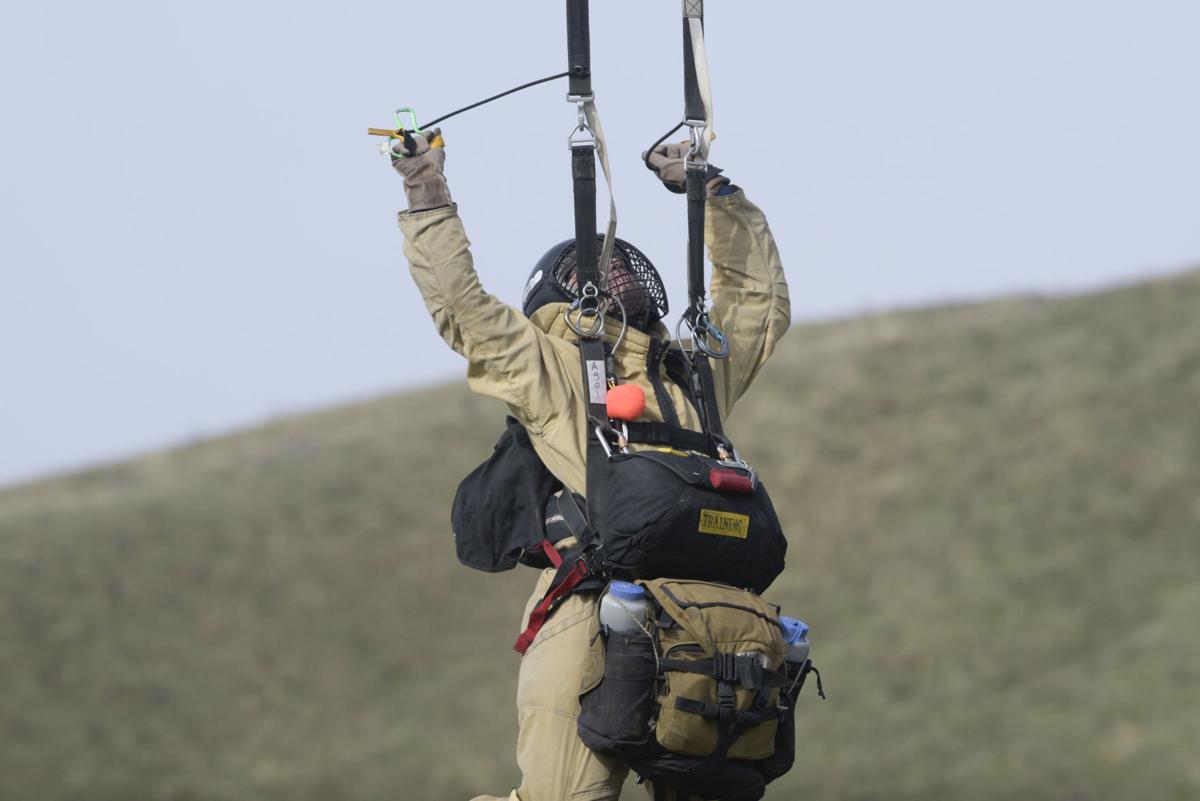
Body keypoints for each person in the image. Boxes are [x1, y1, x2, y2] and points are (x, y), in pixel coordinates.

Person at [390, 128, 791, 801]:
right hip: (591, 610)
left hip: (701, 623)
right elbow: (465, 310)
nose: (616, 275)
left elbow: (757, 307)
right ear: (556, 303)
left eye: (621, 265)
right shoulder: (553, 373)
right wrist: (425, 190)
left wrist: (713, 195)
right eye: (590, 273)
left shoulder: (694, 376)